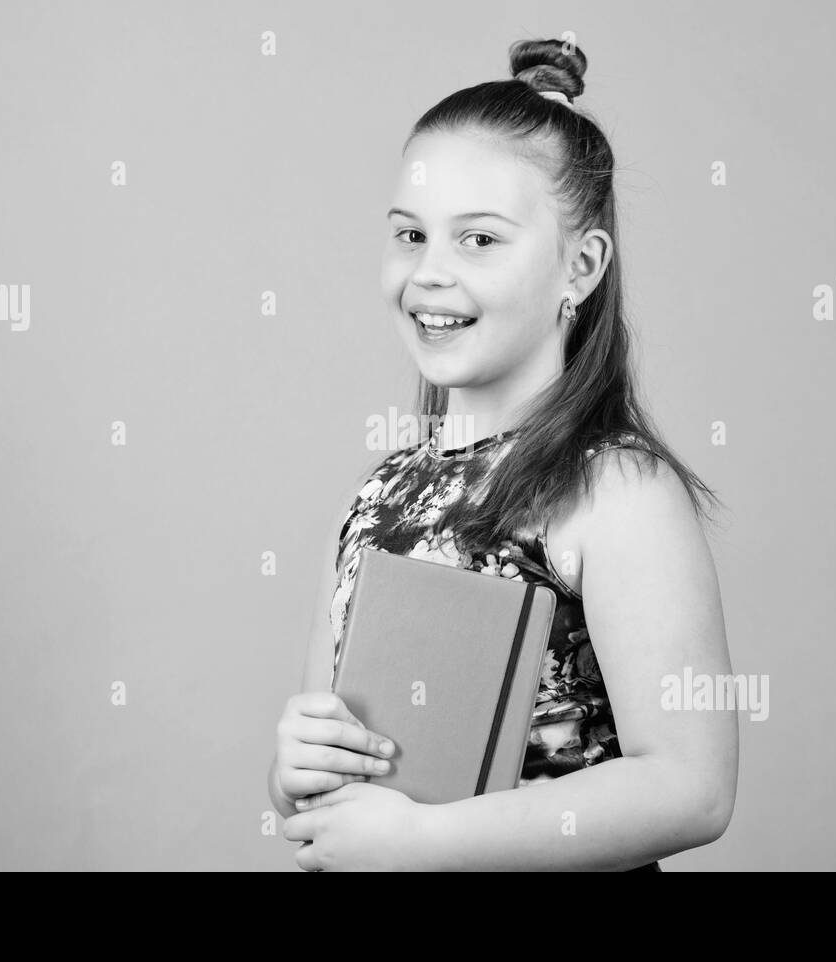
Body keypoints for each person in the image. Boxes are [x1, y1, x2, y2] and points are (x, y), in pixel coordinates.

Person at [268, 37, 738, 871]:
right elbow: (334, 789)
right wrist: (298, 769)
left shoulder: (615, 488)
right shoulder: (380, 494)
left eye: (479, 240)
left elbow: (692, 786)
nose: (430, 273)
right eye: (410, 235)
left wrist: (425, 841)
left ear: (582, 266)